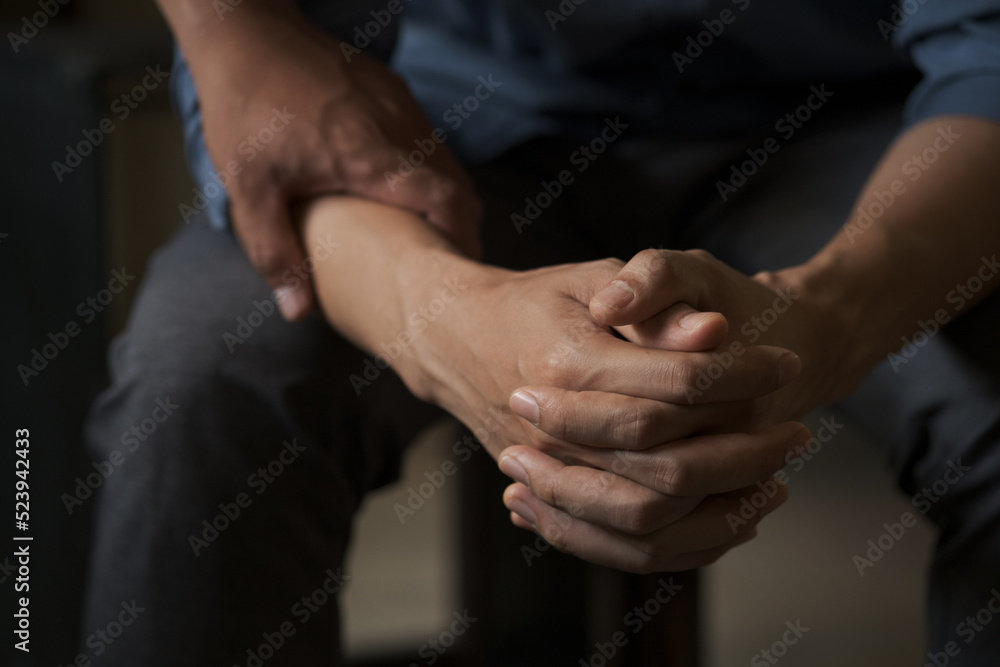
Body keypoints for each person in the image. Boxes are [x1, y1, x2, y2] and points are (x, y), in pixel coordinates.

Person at [81, 0, 1000, 664]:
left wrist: (829, 322)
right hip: (464, 119)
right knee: (202, 381)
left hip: (882, 123)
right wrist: (441, 320)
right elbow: (275, 95)